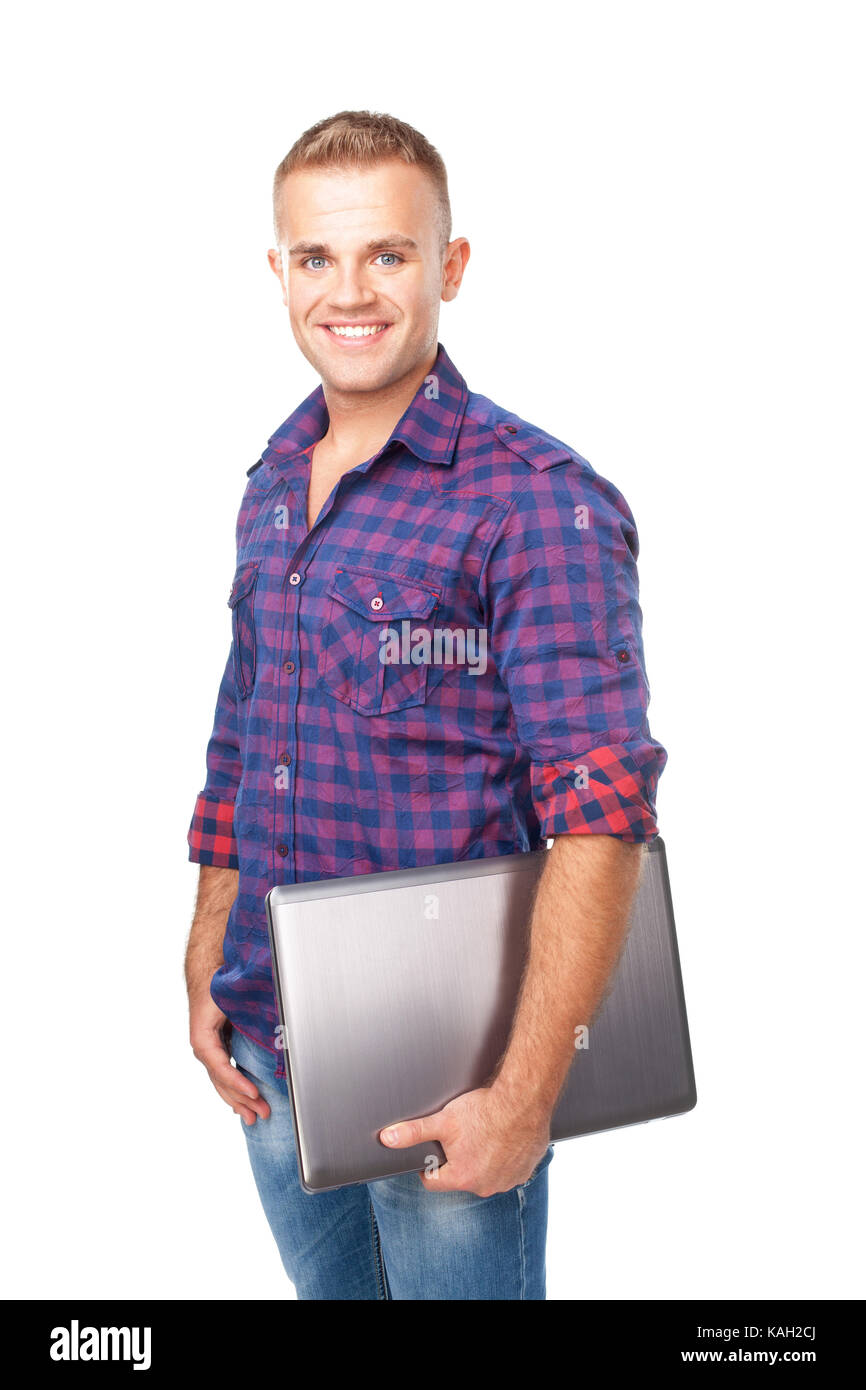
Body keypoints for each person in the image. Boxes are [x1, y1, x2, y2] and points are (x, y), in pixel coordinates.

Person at [184, 109, 667, 1301]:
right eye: (317, 258)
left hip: (447, 1083)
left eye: (387, 254)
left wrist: (522, 1097)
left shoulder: (534, 502)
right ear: (279, 272)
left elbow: (600, 818)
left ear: (448, 266)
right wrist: (207, 948)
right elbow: (242, 736)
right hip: (272, 1052)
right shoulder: (269, 483)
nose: (349, 290)